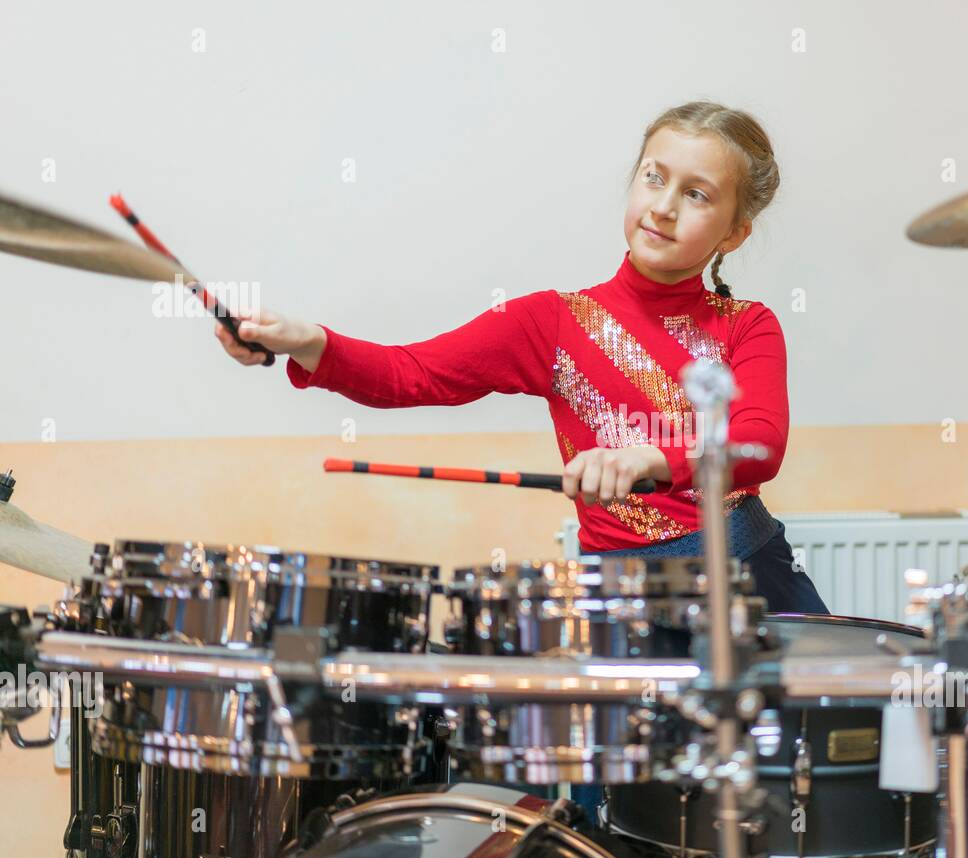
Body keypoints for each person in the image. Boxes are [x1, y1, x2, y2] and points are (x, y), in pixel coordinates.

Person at [216, 100, 827, 615]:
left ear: (733, 233)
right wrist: (309, 341)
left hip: (750, 580)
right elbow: (412, 374)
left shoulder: (748, 325)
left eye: (697, 194)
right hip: (619, 601)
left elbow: (758, 446)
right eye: (653, 177)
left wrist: (650, 458)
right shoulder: (550, 321)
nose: (663, 206)